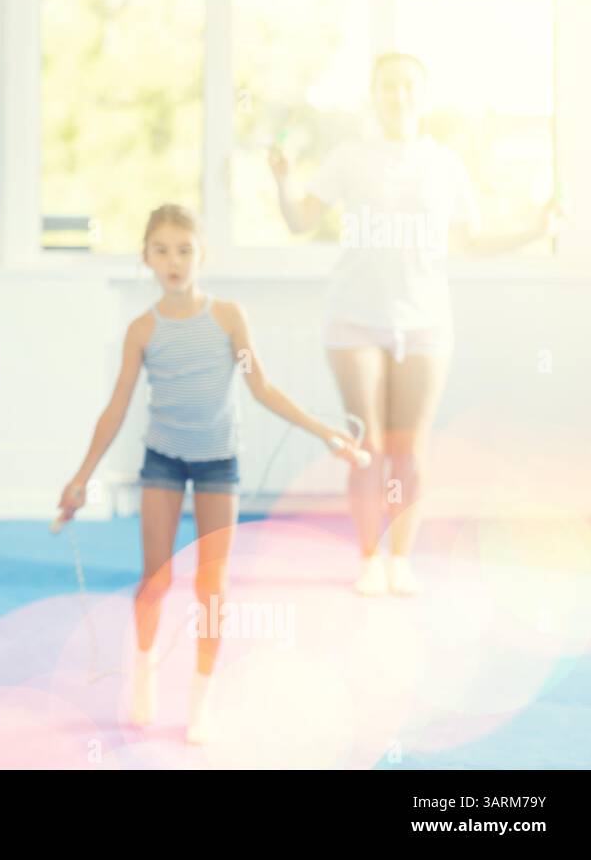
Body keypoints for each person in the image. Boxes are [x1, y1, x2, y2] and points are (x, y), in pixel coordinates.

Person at [56, 204, 364, 743]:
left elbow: (262, 387)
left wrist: (326, 433)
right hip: (164, 463)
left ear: (203, 255)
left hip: (220, 463)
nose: (173, 261)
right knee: (156, 580)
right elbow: (117, 406)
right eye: (161, 250)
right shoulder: (141, 330)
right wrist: (81, 477)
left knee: (212, 588)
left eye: (184, 250)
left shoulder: (227, 318)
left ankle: (201, 700)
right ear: (146, 257)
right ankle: (145, 675)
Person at [268, 52, 559, 596]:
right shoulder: (350, 158)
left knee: (410, 447)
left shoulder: (444, 163)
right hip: (354, 317)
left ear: (422, 96)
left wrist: (534, 230)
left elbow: (470, 242)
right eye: (387, 87)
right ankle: (368, 558)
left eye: (407, 87)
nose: (397, 96)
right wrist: (284, 180)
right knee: (368, 445)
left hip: (425, 321)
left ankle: (401, 558)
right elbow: (299, 220)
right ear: (374, 95)